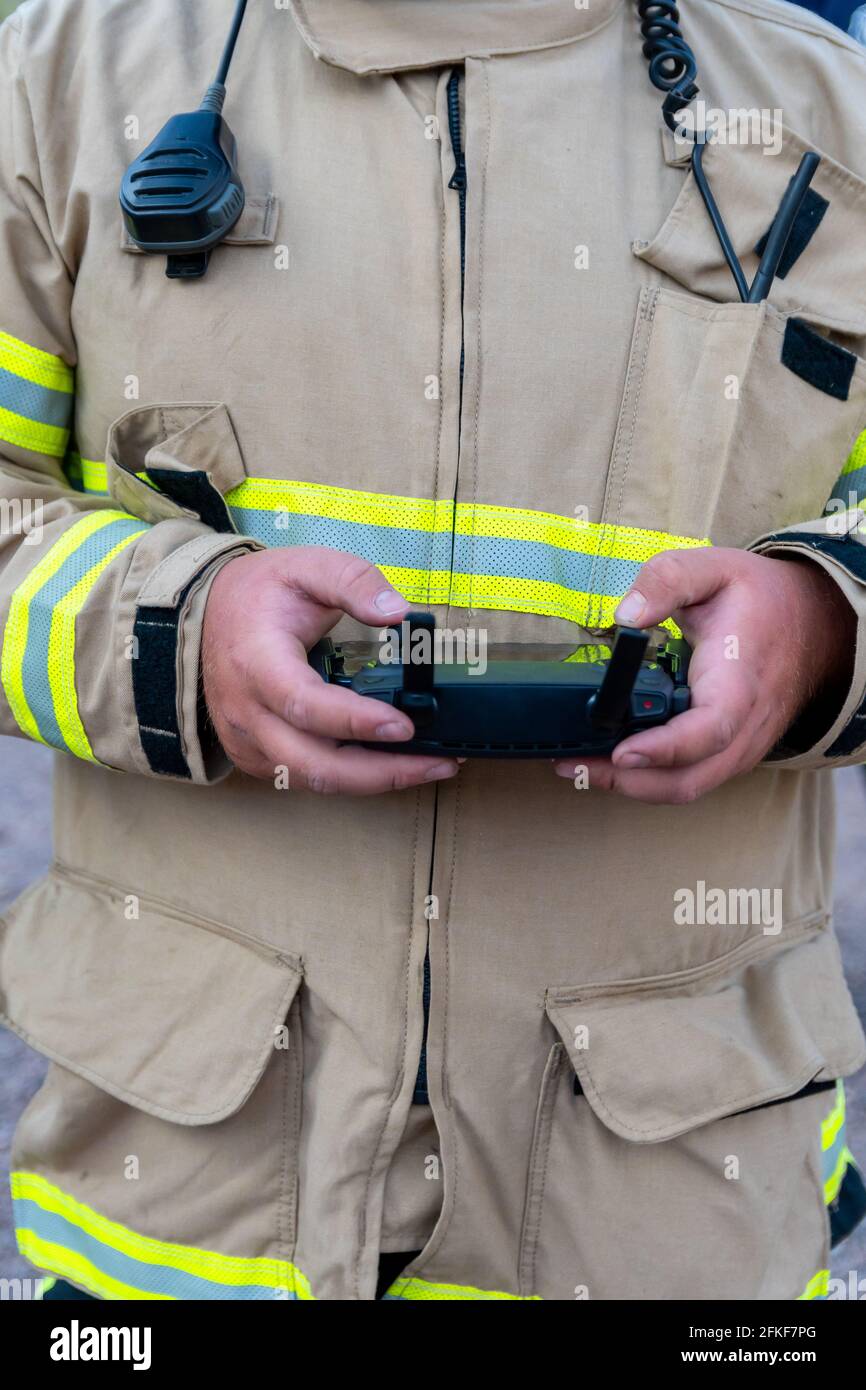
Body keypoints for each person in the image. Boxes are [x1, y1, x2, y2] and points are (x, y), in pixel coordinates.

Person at [1, 0, 866, 1303]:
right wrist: (179, 635)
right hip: (178, 1231)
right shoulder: (54, 77)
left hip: (669, 1222)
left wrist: (821, 622)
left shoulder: (831, 116)